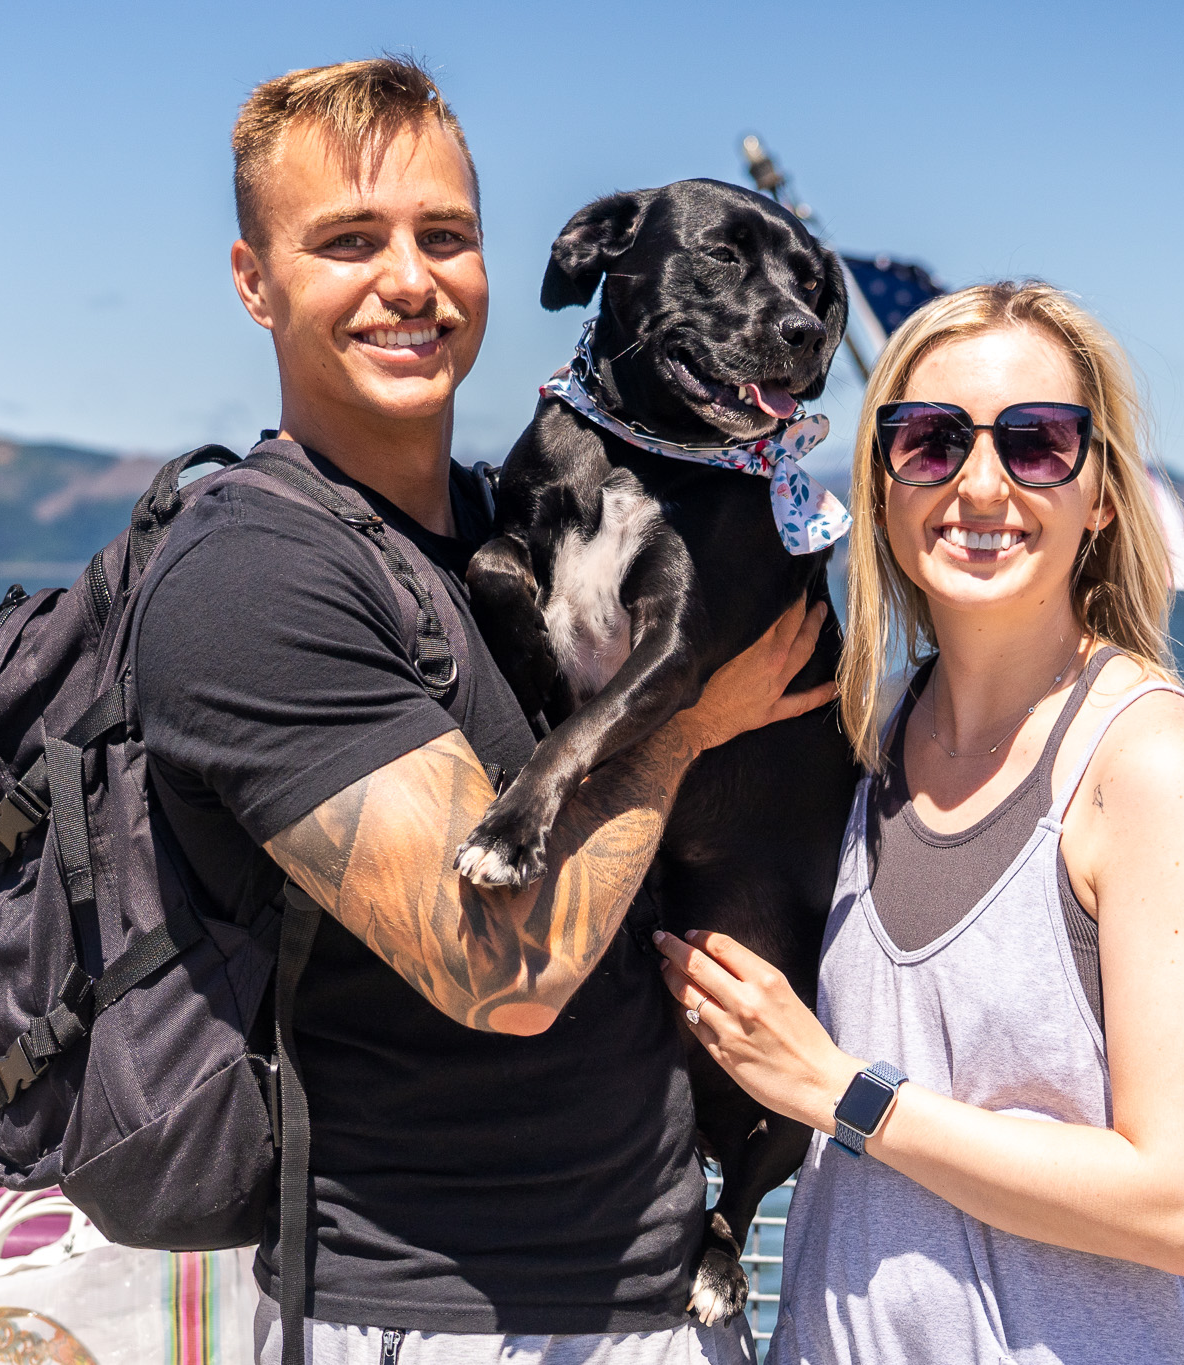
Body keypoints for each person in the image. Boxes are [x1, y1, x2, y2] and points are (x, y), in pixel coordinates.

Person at [132, 57, 830, 1365]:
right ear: (253, 281)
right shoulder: (259, 574)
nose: (411, 279)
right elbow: (494, 969)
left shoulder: (494, 522)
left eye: (444, 235)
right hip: (452, 1314)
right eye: (349, 240)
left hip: (655, 1278)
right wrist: (694, 719)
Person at [657, 281, 1184, 1362]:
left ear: (1102, 497)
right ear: (880, 485)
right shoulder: (857, 738)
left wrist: (840, 1092)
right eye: (928, 443)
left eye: (1036, 445)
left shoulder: (1148, 761)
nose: (979, 484)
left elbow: (1176, 1206)